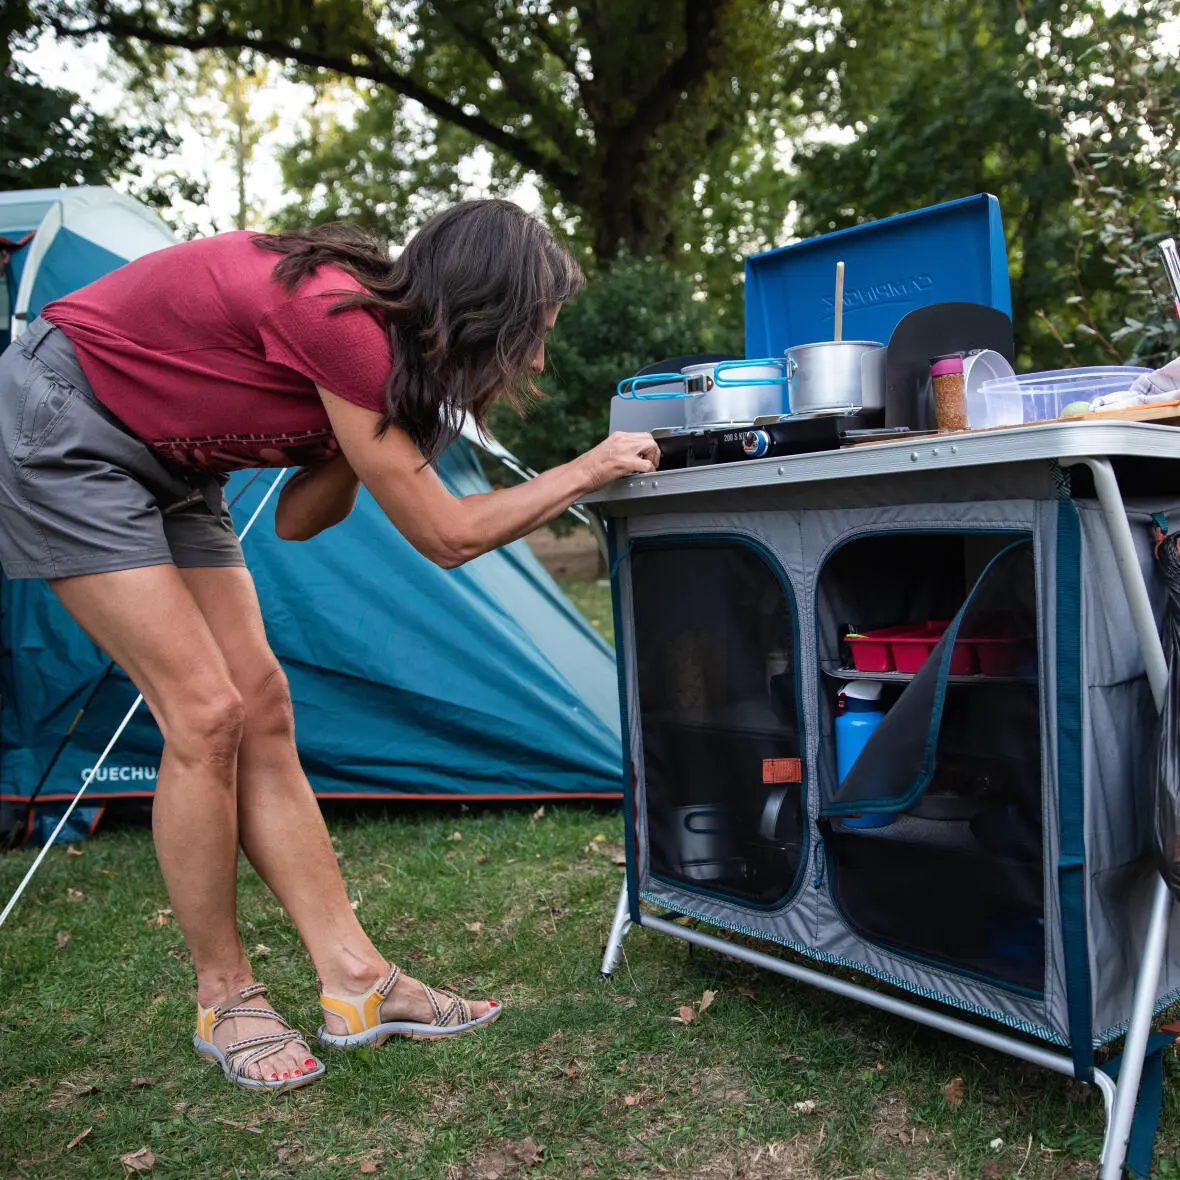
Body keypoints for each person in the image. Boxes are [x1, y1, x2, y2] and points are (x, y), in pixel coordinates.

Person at [0, 199, 659, 1092]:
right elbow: (447, 537)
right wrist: (588, 466)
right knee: (204, 712)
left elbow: (306, 518)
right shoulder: (340, 319)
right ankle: (224, 996)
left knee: (262, 706)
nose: (536, 359)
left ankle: (355, 980)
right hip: (68, 421)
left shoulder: (380, 367)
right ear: (483, 311)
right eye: (531, 333)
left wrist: (368, 433)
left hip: (177, 465)